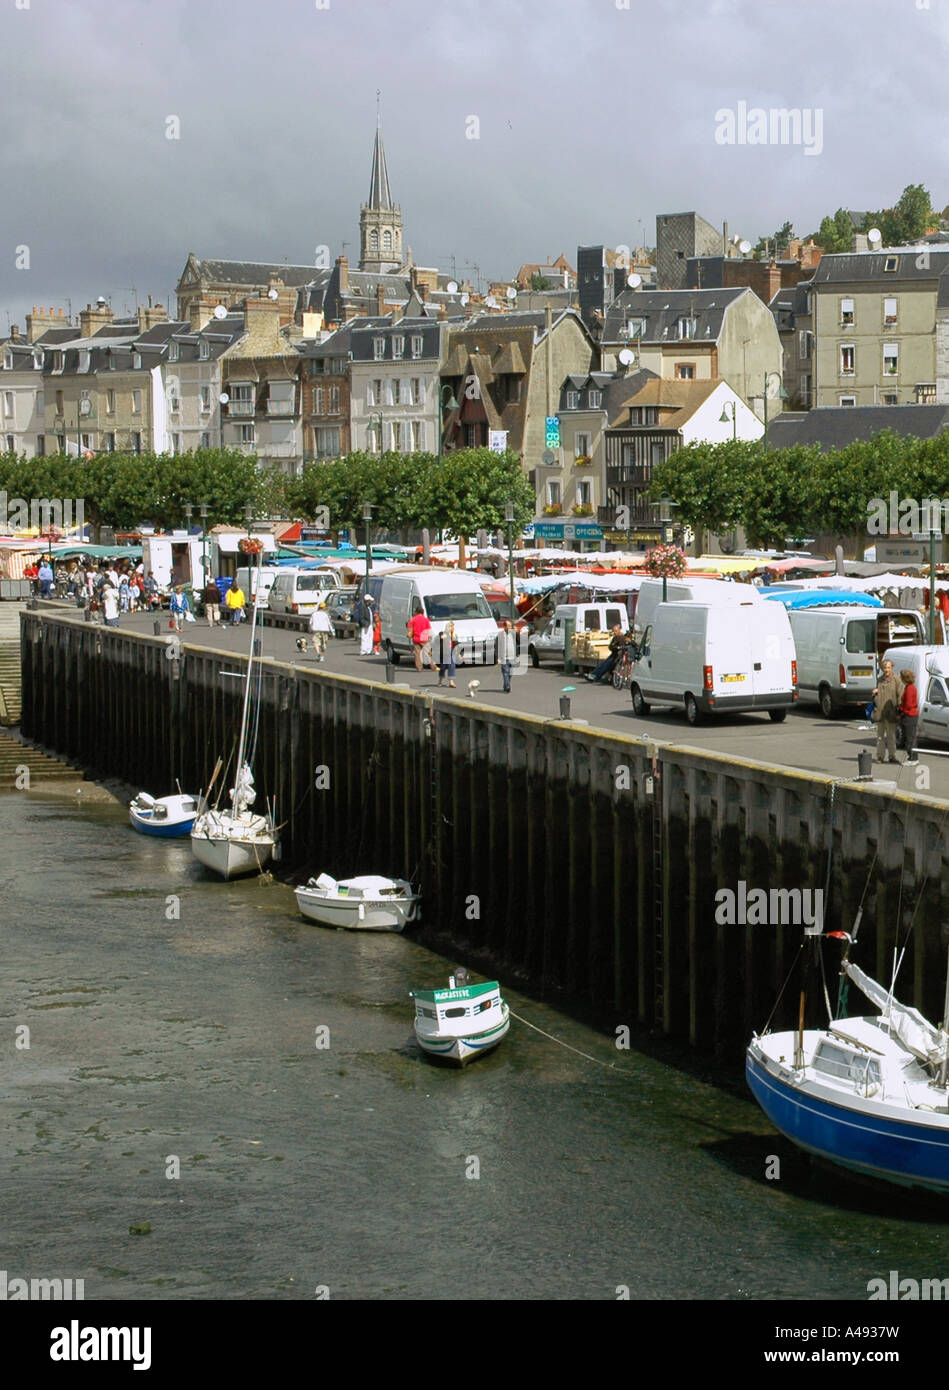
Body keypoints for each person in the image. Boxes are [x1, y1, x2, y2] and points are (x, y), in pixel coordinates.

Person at [872, 658, 903, 764]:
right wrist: (874, 694)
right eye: (885, 667)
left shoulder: (897, 680)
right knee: (880, 737)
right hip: (880, 713)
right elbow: (876, 695)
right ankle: (880, 756)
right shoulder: (879, 680)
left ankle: (892, 756)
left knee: (891, 736)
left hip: (891, 713)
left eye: (888, 667)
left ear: (892, 668)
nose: (886, 670)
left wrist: (899, 712)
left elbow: (901, 697)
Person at [407, 601, 437, 672]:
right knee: (428, 653)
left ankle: (419, 668)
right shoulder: (425, 620)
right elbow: (429, 630)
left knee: (417, 654)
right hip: (424, 638)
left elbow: (409, 629)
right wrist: (429, 638)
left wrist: (410, 634)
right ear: (423, 612)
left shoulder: (413, 619)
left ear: (416, 612)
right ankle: (433, 666)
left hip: (416, 638)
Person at [900, 667, 919, 765]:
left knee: (910, 737)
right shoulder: (910, 687)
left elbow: (908, 704)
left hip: (909, 715)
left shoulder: (910, 688)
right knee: (911, 736)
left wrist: (901, 710)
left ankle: (913, 758)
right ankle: (912, 756)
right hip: (912, 714)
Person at [497, 619, 518, 693]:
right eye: (508, 626)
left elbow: (519, 641)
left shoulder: (513, 634)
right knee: (506, 672)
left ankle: (506, 685)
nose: (509, 628)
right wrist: (497, 657)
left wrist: (517, 632)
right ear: (504, 627)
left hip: (512, 657)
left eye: (510, 626)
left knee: (510, 673)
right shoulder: (500, 635)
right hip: (504, 658)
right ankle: (508, 686)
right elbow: (497, 646)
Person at [436, 621, 458, 687]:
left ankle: (451, 682)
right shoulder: (443, 633)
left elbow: (456, 644)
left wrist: (457, 652)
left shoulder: (454, 634)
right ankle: (440, 681)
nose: (453, 628)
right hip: (444, 652)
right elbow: (439, 639)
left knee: (452, 666)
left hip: (452, 651)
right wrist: (442, 637)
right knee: (443, 667)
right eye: (452, 627)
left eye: (453, 627)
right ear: (448, 627)